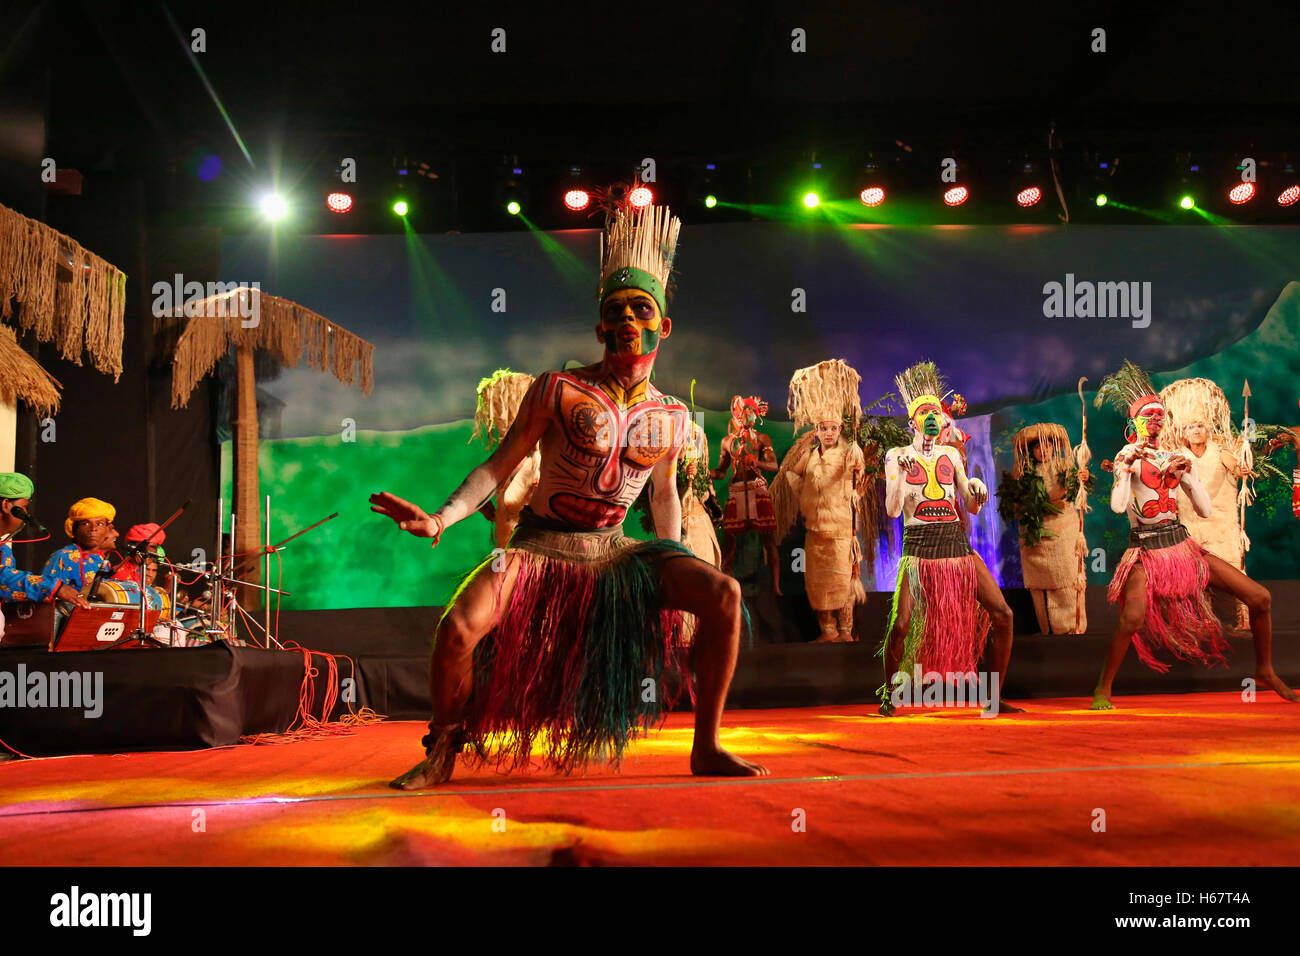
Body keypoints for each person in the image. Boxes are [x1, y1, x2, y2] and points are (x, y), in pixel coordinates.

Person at [370, 203, 768, 788]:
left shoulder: (673, 417)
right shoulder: (558, 389)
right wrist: (439, 520)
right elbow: (496, 467)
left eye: (642, 309)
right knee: (458, 629)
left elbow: (663, 498)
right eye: (615, 312)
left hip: (614, 553)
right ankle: (442, 751)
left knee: (725, 595)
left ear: (664, 325)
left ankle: (706, 746)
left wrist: (674, 558)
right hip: (538, 550)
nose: (628, 319)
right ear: (600, 327)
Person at [1090, 361, 1297, 708]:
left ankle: (1264, 670)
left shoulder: (1174, 456)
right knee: (1132, 619)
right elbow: (1117, 507)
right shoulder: (1128, 457)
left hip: (1182, 547)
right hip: (1146, 553)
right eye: (1148, 417)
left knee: (1260, 598)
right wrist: (1124, 470)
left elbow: (1202, 509)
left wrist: (1188, 477)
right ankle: (1102, 688)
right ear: (1135, 423)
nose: (1155, 422)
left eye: (1160, 417)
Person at [879, 360, 1018, 714]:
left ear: (943, 421)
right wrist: (898, 478)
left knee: (1003, 614)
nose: (930, 418)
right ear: (912, 422)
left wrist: (977, 488)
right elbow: (894, 511)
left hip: (956, 544)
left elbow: (970, 507)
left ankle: (994, 697)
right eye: (923, 413)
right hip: (920, 548)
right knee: (902, 625)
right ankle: (890, 695)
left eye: (935, 413)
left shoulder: (951, 455)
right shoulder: (897, 456)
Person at [773, 359, 866, 642]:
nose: (828, 432)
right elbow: (791, 474)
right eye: (823, 428)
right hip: (815, 532)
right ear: (818, 430)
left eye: (832, 428)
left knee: (842, 582)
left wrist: (856, 481)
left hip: (839, 532)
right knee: (818, 584)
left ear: (839, 430)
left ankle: (846, 632)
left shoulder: (850, 451)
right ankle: (827, 631)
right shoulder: (811, 455)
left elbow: (859, 481)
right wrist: (805, 494)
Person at [1158, 377, 1253, 629]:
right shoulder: (1177, 456)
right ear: (1184, 432)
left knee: (1234, 572)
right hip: (1191, 527)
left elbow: (1236, 467)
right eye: (1191, 427)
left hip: (1222, 526)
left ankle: (1244, 617)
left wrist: (1242, 467)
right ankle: (1203, 621)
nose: (1197, 431)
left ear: (1208, 428)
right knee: (1196, 578)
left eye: (1200, 425)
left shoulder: (1221, 451)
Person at [997, 424, 1092, 634]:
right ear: (1032, 451)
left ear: (1053, 447)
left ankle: (1070, 626)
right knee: (1040, 580)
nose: (1043, 451)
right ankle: (1046, 627)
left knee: (1066, 574)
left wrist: (1082, 479)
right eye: (1038, 447)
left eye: (1047, 446)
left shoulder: (1064, 468)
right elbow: (1015, 502)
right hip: (1035, 532)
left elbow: (1076, 490)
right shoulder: (1024, 473)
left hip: (1062, 527)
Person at [712, 395, 782, 595]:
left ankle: (776, 587)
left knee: (769, 541)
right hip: (736, 493)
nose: (744, 416)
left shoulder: (762, 439)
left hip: (757, 491)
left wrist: (757, 463)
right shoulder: (728, 442)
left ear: (755, 415)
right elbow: (721, 472)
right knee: (729, 543)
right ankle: (725, 587)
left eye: (748, 412)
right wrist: (702, 472)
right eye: (741, 412)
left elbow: (774, 465)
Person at [470, 369, 541, 549]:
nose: (491, 416)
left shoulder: (532, 460)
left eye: (497, 405)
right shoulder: (519, 460)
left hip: (523, 553)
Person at [0, 472, 89, 613]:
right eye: (23, 507)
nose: (27, 514)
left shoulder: (4, 550)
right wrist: (53, 587)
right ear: (6, 505)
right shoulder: (65, 555)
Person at [42, 497, 115, 597]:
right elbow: (45, 591)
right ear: (74, 529)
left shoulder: (102, 559)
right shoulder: (63, 556)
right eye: (85, 523)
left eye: (100, 524)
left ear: (107, 530)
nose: (93, 529)